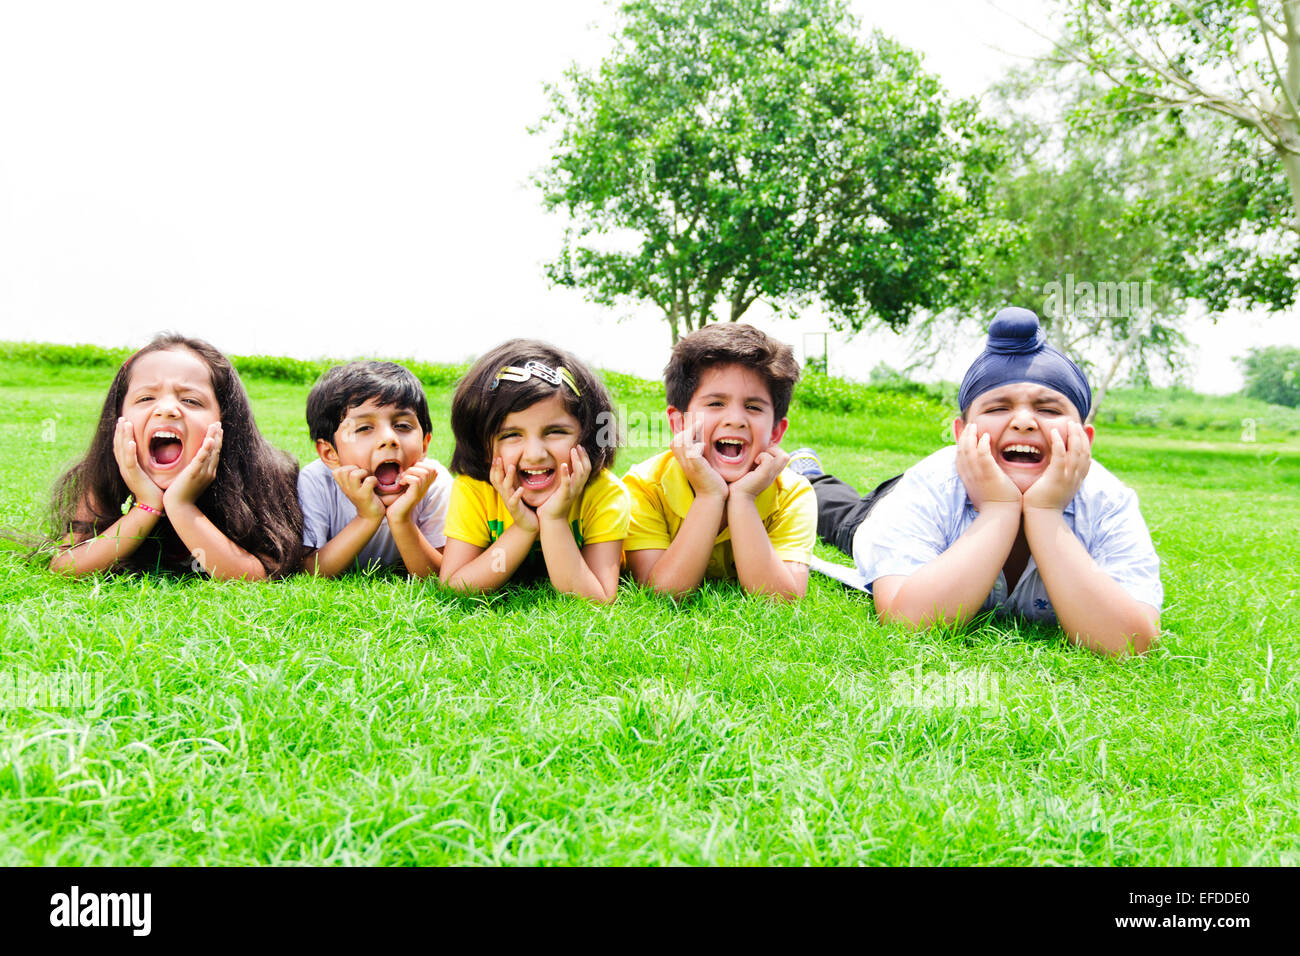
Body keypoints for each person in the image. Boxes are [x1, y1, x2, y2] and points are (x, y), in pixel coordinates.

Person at [791, 308, 1162, 656]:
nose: (1024, 422)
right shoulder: (931, 485)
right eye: (998, 408)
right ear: (962, 434)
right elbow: (909, 622)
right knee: (843, 518)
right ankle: (810, 475)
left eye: (1048, 410)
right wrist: (999, 511)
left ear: (1086, 439)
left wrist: (1045, 513)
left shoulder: (1108, 500)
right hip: (897, 505)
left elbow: (1132, 644)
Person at [47, 333, 302, 579]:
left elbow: (257, 575)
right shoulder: (105, 471)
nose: (167, 409)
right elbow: (66, 566)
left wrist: (181, 505)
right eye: (146, 398)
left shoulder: (262, 473)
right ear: (118, 417)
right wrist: (146, 505)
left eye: (191, 401)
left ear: (225, 420)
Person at [623, 323, 816, 600]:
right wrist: (709, 495)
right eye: (715, 404)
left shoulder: (792, 494)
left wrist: (744, 499)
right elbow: (662, 593)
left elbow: (780, 601)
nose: (735, 419)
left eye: (753, 407)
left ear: (776, 432)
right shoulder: (645, 487)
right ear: (679, 423)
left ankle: (810, 468)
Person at [439, 339, 630, 602]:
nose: (535, 454)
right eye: (511, 435)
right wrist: (523, 529)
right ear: (483, 446)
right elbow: (455, 586)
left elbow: (596, 600)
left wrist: (553, 520)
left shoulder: (604, 494)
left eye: (555, 432)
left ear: (589, 438)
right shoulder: (475, 491)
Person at [299, 361, 452, 577]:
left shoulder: (433, 481)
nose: (389, 439)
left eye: (402, 426)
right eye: (364, 428)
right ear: (329, 453)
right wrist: (367, 517)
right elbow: (309, 571)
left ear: (424, 445)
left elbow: (443, 574)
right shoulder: (317, 481)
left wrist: (401, 519)